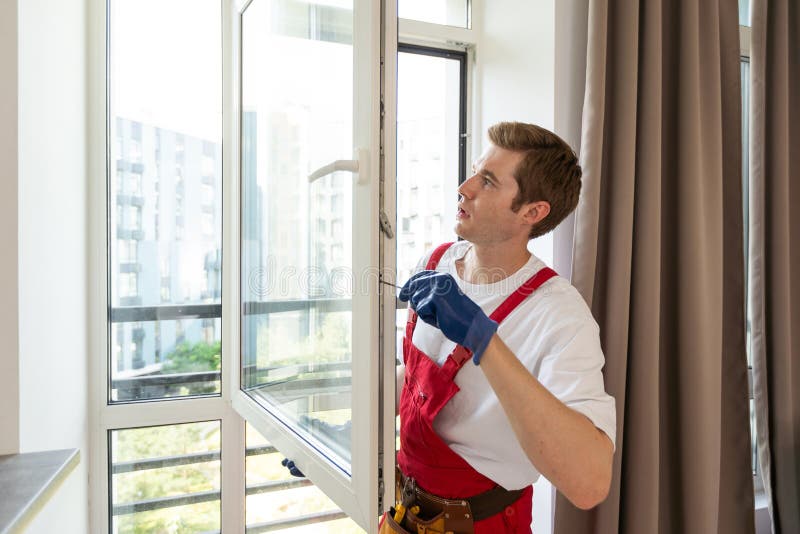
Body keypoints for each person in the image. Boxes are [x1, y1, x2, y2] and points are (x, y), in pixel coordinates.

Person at [388, 122, 616, 534]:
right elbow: (416, 381)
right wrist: (352, 435)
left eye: (488, 182)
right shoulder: (435, 263)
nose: (464, 188)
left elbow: (589, 484)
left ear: (532, 212)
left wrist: (484, 340)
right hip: (405, 516)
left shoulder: (558, 314)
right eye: (474, 172)